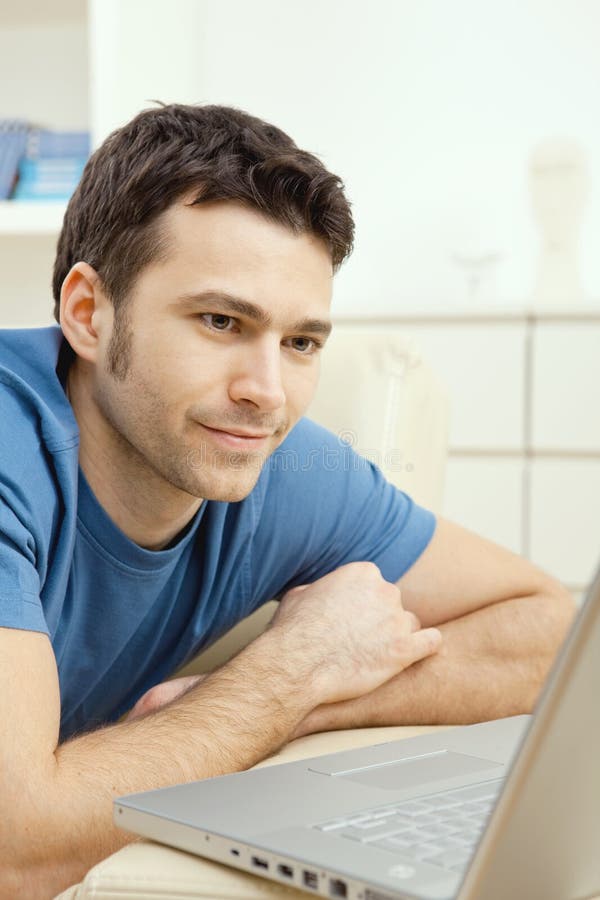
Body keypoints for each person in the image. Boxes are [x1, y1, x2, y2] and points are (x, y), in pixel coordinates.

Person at [0, 104, 574, 899]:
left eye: (301, 342)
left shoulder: (277, 467)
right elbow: (14, 849)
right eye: (220, 321)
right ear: (88, 313)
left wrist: (307, 699)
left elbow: (549, 632)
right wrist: (286, 674)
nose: (267, 394)